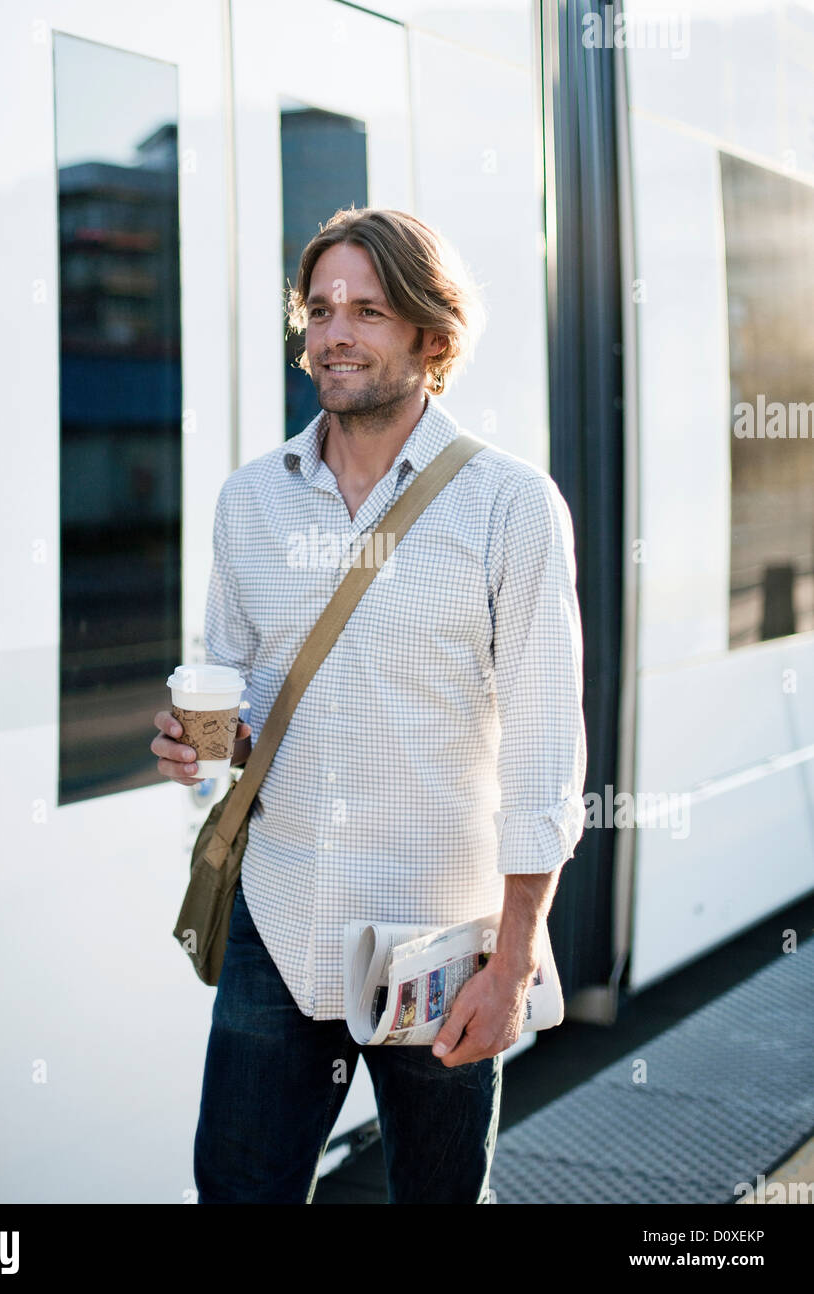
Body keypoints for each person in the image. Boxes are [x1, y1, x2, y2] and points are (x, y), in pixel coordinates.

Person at [151, 207, 587, 1204]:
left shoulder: (511, 506)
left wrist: (513, 960)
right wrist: (193, 742)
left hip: (438, 943)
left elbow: (543, 748)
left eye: (369, 311)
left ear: (432, 338)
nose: (334, 334)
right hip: (280, 920)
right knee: (234, 1188)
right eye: (320, 309)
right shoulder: (250, 500)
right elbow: (230, 684)